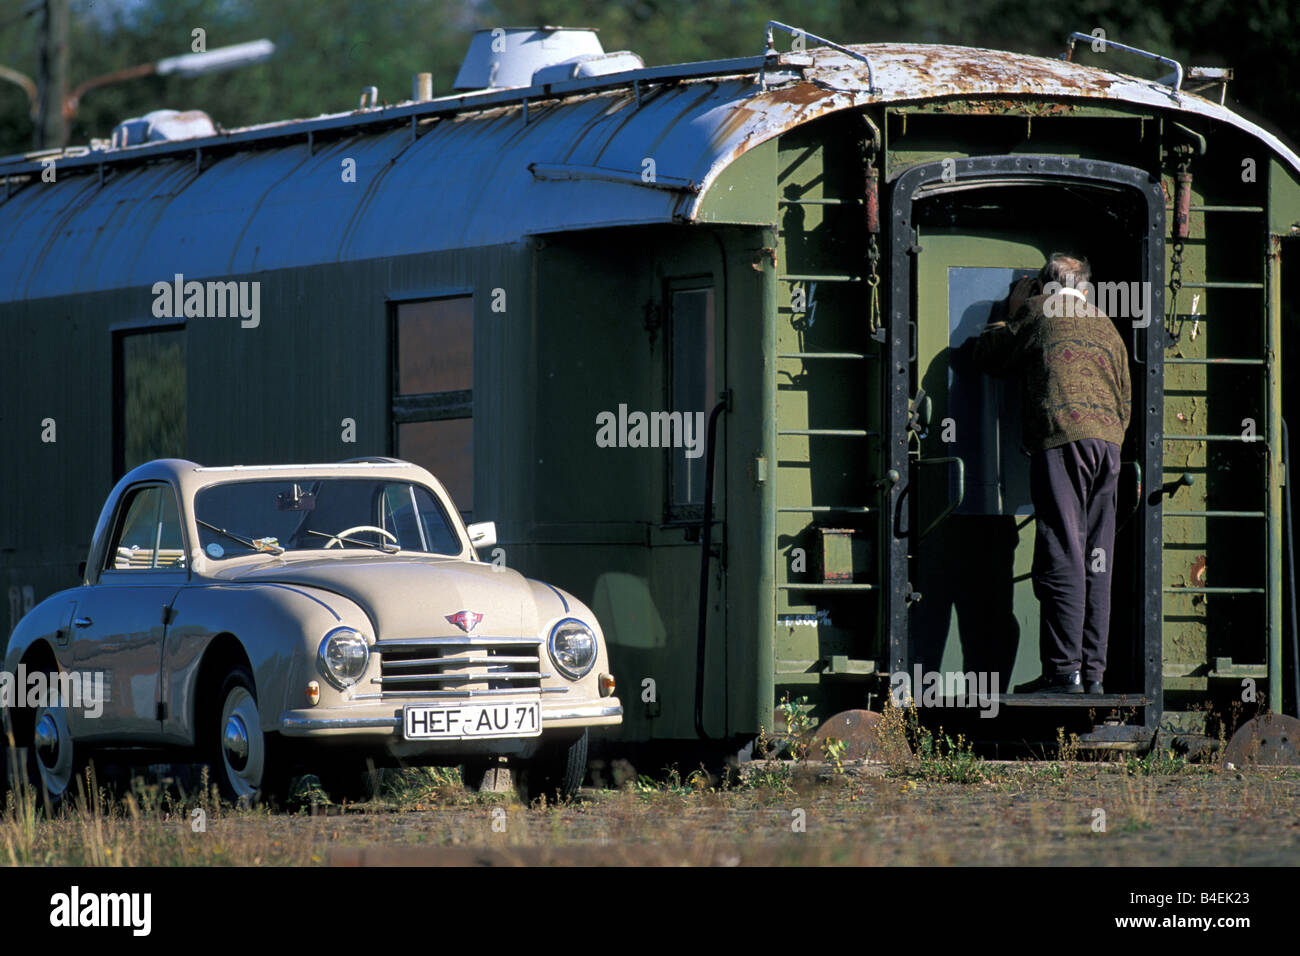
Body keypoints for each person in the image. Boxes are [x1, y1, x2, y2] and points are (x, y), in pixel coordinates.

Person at [969, 254, 1131, 694]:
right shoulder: (1106, 323)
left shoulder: (1042, 310)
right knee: (1098, 558)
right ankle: (1092, 674)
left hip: (1063, 438)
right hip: (1109, 445)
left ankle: (1063, 673)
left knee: (1062, 550)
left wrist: (1009, 312)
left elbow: (986, 355)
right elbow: (1126, 394)